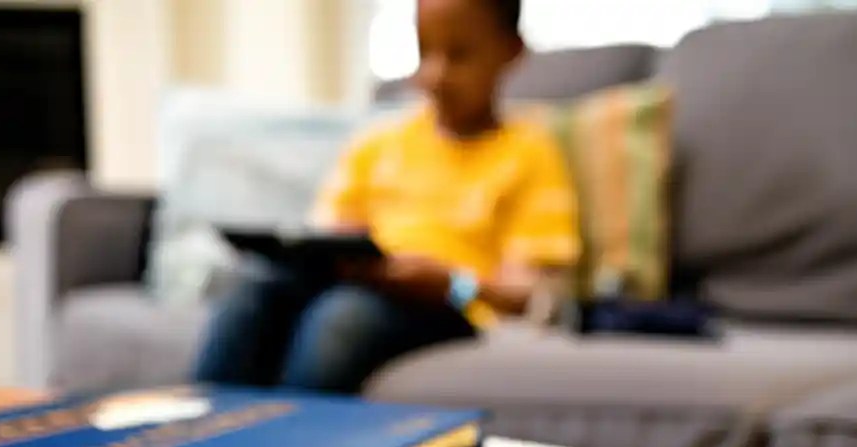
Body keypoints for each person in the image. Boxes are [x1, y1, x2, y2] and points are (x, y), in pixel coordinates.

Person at [192, 0, 579, 394]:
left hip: (447, 305)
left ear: (512, 51)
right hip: (360, 284)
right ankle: (198, 424)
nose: (436, 74)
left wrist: (451, 282)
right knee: (253, 286)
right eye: (424, 52)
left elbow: (529, 293)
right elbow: (330, 231)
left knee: (342, 318)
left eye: (459, 54)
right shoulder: (376, 145)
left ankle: (296, 433)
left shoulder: (529, 153)